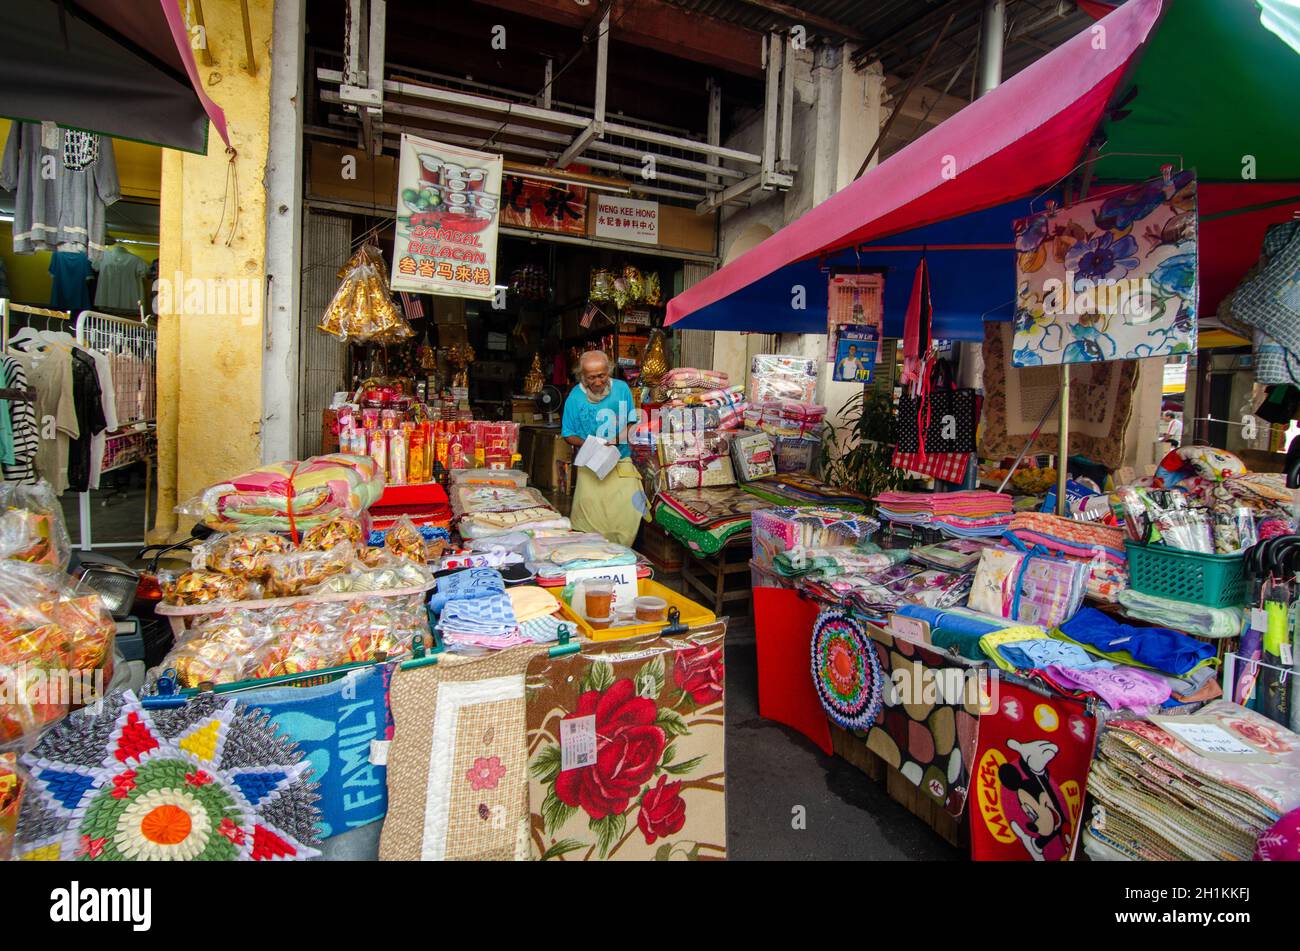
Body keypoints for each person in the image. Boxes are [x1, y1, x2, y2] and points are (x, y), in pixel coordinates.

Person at [561, 350, 645, 546]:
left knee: (629, 511)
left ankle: (624, 553)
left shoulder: (622, 389)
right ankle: (593, 554)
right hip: (590, 466)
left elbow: (631, 422)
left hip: (621, 463)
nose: (598, 381)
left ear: (609, 371)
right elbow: (568, 434)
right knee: (590, 517)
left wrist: (617, 439)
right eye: (591, 378)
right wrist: (591, 444)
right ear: (582, 376)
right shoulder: (574, 398)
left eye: (602, 375)